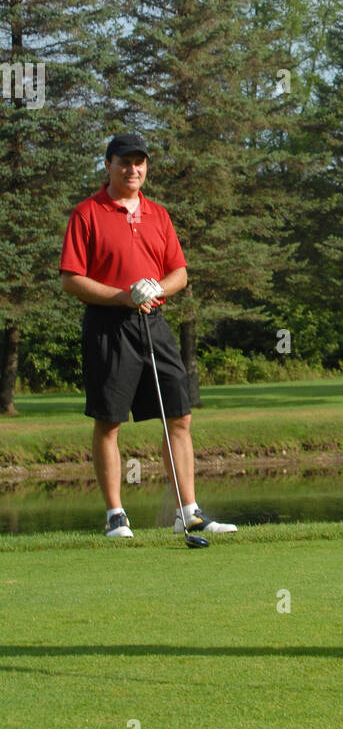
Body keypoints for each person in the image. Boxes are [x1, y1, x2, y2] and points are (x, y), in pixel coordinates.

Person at [59, 132, 236, 540]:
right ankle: (116, 516)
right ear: (108, 165)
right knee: (109, 422)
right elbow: (72, 280)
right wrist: (123, 296)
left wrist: (157, 288)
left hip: (153, 324)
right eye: (124, 161)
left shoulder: (158, 214)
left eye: (139, 162)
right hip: (108, 326)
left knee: (180, 414)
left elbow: (180, 272)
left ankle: (187, 512)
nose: (133, 169)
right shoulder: (88, 213)